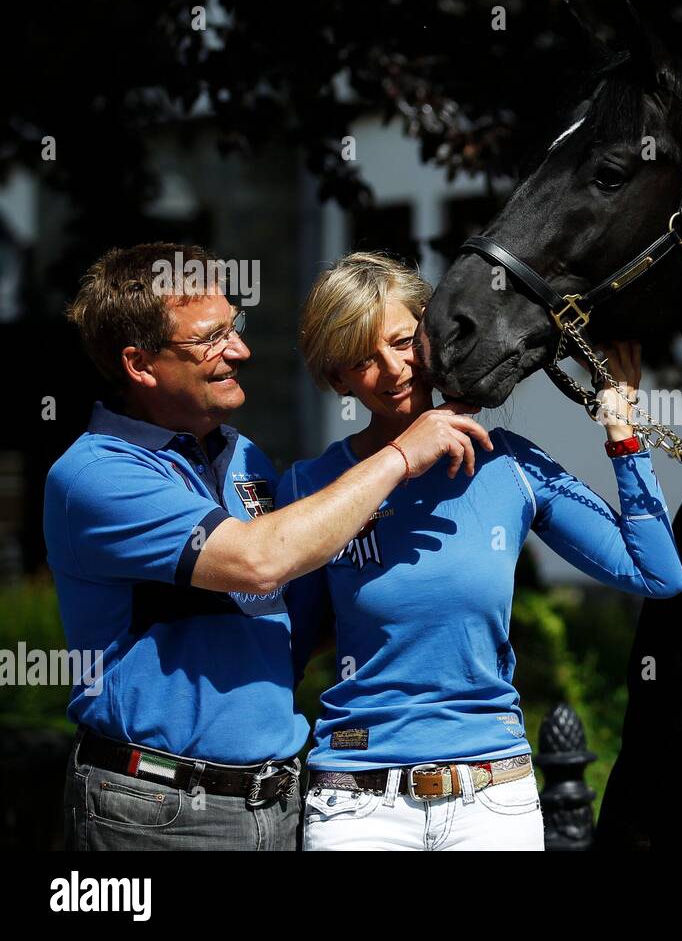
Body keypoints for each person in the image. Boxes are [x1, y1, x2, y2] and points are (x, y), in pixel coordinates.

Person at [47, 243, 487, 850]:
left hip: (276, 800)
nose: (240, 351)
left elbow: (295, 611)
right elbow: (258, 562)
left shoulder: (246, 457)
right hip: (155, 810)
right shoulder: (95, 475)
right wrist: (403, 454)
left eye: (235, 328)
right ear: (139, 364)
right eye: (209, 339)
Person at [282, 252, 682, 851]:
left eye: (401, 341)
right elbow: (291, 644)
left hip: (492, 799)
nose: (393, 369)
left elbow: (656, 572)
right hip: (357, 802)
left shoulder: (512, 465)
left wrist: (623, 432)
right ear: (338, 379)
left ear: (433, 332)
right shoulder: (312, 486)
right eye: (362, 359)